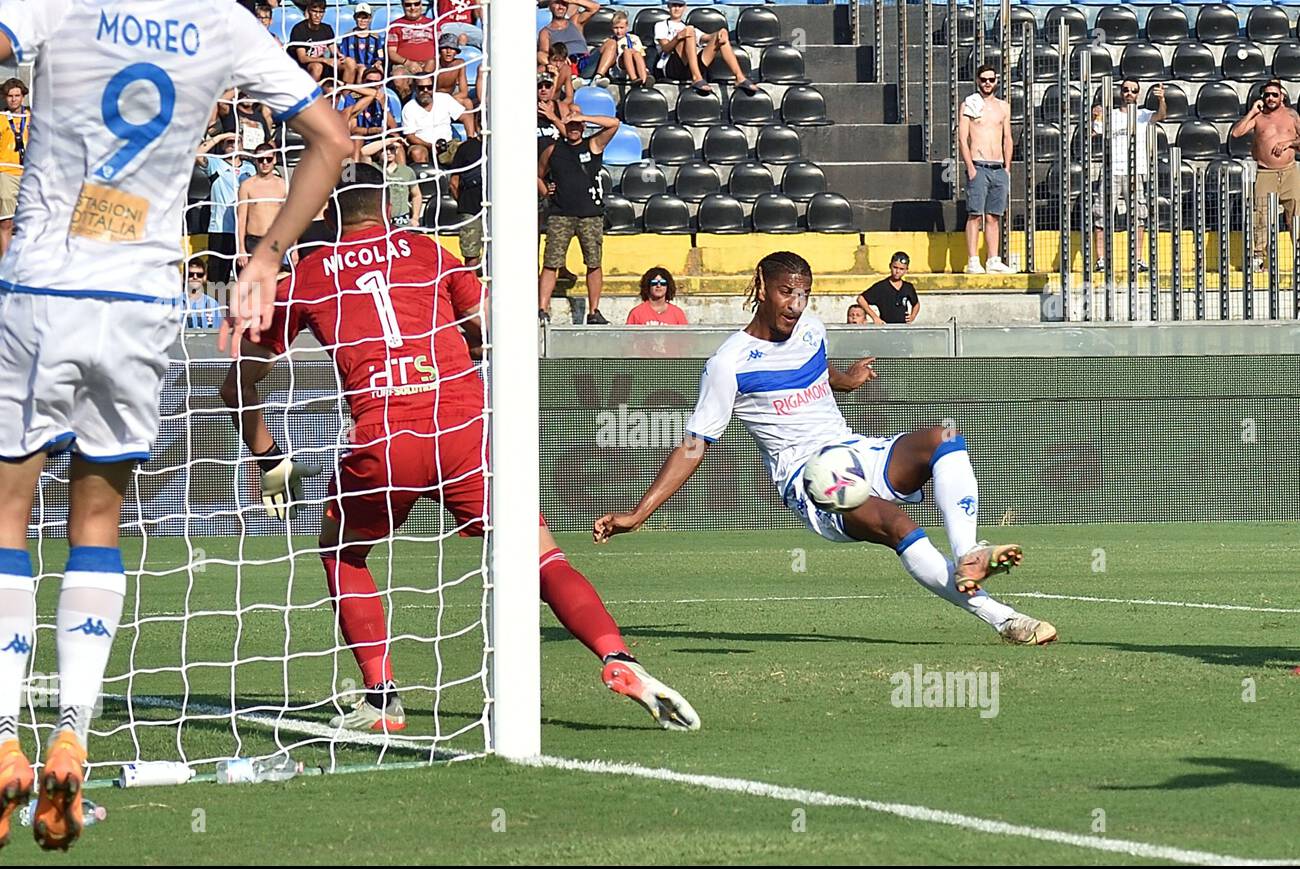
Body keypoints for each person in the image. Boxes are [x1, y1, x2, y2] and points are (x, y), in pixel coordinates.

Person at [0, 0, 351, 854]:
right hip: (145, 303)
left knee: (6, 517)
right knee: (97, 522)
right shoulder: (224, 22)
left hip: (44, 286)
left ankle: (2, 735)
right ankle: (74, 730)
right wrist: (264, 258)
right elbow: (335, 140)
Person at [220, 164, 698, 736]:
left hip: (385, 436)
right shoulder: (433, 253)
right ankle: (618, 657)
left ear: (327, 211)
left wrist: (270, 457)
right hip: (463, 429)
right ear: (390, 206)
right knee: (541, 556)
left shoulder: (308, 275)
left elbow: (236, 385)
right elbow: (488, 330)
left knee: (342, 554)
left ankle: (381, 697)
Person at [594, 252, 1058, 650]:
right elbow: (694, 445)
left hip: (851, 448)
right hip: (809, 478)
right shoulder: (728, 364)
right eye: (785, 293)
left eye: (803, 295)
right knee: (901, 525)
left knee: (943, 438)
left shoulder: (811, 328)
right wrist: (638, 514)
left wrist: (845, 379)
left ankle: (969, 552)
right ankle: (1005, 619)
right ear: (760, 287)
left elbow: (815, 370)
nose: (795, 306)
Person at [538, 111, 619, 325]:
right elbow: (537, 173)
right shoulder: (553, 150)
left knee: (593, 262)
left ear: (582, 127)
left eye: (577, 125)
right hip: (560, 213)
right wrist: (546, 191)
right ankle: (542, 308)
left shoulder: (592, 145)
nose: (574, 129)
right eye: (571, 125)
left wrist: (585, 117)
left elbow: (613, 124)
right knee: (551, 262)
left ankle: (594, 311)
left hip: (590, 214)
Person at [1092, 81, 1165, 273]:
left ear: (1138, 94)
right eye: (1126, 90)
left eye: (1133, 90)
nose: (1129, 93)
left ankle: (1138, 259)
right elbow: (1094, 132)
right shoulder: (1112, 115)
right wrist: (1094, 116)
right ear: (1121, 93)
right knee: (1102, 215)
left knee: (1138, 217)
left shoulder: (1143, 114)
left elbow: (1161, 115)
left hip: (1135, 171)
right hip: (1112, 170)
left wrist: (1161, 99)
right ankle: (1101, 259)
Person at [1230, 78, 1300, 272]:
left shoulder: (1292, 116)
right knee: (1261, 215)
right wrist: (1252, 111)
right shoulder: (1258, 117)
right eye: (1267, 94)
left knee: (1296, 214)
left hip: (1289, 172)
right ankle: (1258, 257)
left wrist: (1289, 143)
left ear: (1282, 96)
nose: (1270, 98)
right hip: (1265, 172)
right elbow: (1236, 133)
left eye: (1274, 95)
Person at [959, 65, 1014, 274]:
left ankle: (993, 259)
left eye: (991, 79)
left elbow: (1007, 137)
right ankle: (973, 259)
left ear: (996, 81)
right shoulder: (970, 104)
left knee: (993, 216)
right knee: (975, 214)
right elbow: (963, 138)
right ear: (977, 80)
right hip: (979, 165)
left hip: (998, 166)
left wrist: (1007, 167)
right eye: (983, 79)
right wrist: (970, 167)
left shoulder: (1003, 107)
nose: (987, 83)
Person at [654, 0, 758, 96]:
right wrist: (678, 37)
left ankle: (739, 77)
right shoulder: (661, 25)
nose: (676, 8)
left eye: (679, 6)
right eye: (673, 5)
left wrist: (721, 33)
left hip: (690, 66)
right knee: (689, 32)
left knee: (721, 37)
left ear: (684, 8)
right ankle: (697, 78)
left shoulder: (689, 27)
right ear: (668, 6)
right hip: (671, 66)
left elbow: (706, 37)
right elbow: (665, 48)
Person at [196, 132, 253, 284]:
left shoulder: (251, 168)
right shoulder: (215, 163)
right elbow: (197, 154)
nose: (233, 144)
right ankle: (216, 307)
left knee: (247, 279)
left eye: (236, 141)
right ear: (222, 145)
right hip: (221, 230)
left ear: (242, 145)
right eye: (229, 142)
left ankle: (242, 308)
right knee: (218, 280)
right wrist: (222, 136)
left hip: (246, 231)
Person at [238, 143, 289, 272]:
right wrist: (241, 249)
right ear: (255, 160)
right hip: (253, 241)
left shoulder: (284, 186)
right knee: (255, 287)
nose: (265, 163)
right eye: (261, 159)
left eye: (269, 159)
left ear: (275, 159)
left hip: (276, 241)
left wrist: (294, 248)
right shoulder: (247, 186)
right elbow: (241, 220)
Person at [401, 77, 474, 166]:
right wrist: (430, 146)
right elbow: (410, 136)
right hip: (423, 145)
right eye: (421, 88)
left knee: (469, 151)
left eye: (429, 87)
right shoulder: (408, 108)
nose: (425, 90)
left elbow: (466, 117)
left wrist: (470, 139)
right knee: (417, 152)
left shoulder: (444, 98)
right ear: (415, 88)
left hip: (448, 144)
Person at [0, 77, 28, 256]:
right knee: (6, 222)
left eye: (17, 95)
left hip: (30, 174)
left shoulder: (33, 117)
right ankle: (5, 267)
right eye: (10, 96)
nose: (13, 99)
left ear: (22, 97)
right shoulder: (1, 118)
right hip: (6, 172)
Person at [857, 252, 920, 324]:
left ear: (906, 270)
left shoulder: (908, 287)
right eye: (895, 267)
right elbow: (861, 299)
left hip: (903, 327)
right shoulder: (881, 286)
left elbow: (916, 304)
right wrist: (875, 317)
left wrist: (912, 316)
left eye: (901, 269)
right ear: (890, 266)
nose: (897, 271)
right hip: (886, 326)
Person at [449, 135, 483, 267]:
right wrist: (463, 201)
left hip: (500, 209)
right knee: (471, 254)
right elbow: (454, 182)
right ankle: (470, 286)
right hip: (470, 207)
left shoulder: (504, 146)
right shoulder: (466, 147)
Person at [337, 2, 386, 86]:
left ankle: (381, 91)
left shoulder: (375, 37)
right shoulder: (348, 36)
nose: (362, 20)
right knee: (361, 69)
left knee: (379, 69)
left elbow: (379, 55)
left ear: (370, 18)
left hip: (370, 66)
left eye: (365, 17)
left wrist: (378, 62)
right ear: (355, 18)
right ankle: (356, 93)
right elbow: (344, 55)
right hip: (353, 67)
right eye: (359, 17)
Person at [289, 0, 338, 82]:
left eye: (321, 12)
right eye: (314, 12)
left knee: (349, 62)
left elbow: (334, 51)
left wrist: (339, 56)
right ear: (308, 11)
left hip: (324, 64)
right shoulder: (299, 29)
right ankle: (312, 93)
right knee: (317, 67)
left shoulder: (327, 28)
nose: (317, 15)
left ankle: (345, 93)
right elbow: (302, 58)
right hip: (304, 67)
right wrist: (324, 60)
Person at [388, 0, 439, 77]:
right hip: (404, 65)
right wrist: (408, 63)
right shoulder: (394, 26)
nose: (413, 8)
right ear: (402, 5)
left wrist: (433, 61)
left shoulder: (433, 24)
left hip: (430, 65)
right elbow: (391, 52)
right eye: (408, 5)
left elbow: (441, 48)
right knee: (398, 75)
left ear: (421, 4)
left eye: (416, 4)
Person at [182, 258, 225, 330]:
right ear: (184, 277)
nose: (195, 277)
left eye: (199, 274)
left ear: (204, 277)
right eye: (190, 274)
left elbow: (218, 332)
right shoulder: (175, 304)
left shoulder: (213, 304)